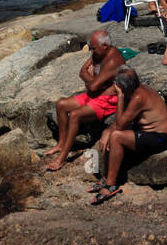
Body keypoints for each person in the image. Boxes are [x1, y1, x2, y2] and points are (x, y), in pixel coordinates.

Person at [43, 31, 125, 171]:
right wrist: (92, 82)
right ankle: (61, 143)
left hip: (108, 99)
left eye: (93, 48)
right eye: (90, 47)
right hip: (96, 94)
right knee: (61, 104)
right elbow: (82, 72)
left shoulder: (113, 60)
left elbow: (90, 82)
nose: (91, 51)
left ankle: (62, 158)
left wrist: (90, 81)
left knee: (75, 115)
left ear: (105, 45)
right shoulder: (98, 52)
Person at [91, 66, 167, 203]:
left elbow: (121, 124)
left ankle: (111, 185)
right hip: (147, 133)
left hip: (160, 138)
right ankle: (106, 178)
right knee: (111, 134)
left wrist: (120, 96)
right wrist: (107, 131)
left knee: (116, 137)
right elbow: (122, 120)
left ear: (122, 87)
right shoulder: (134, 91)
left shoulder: (138, 97)